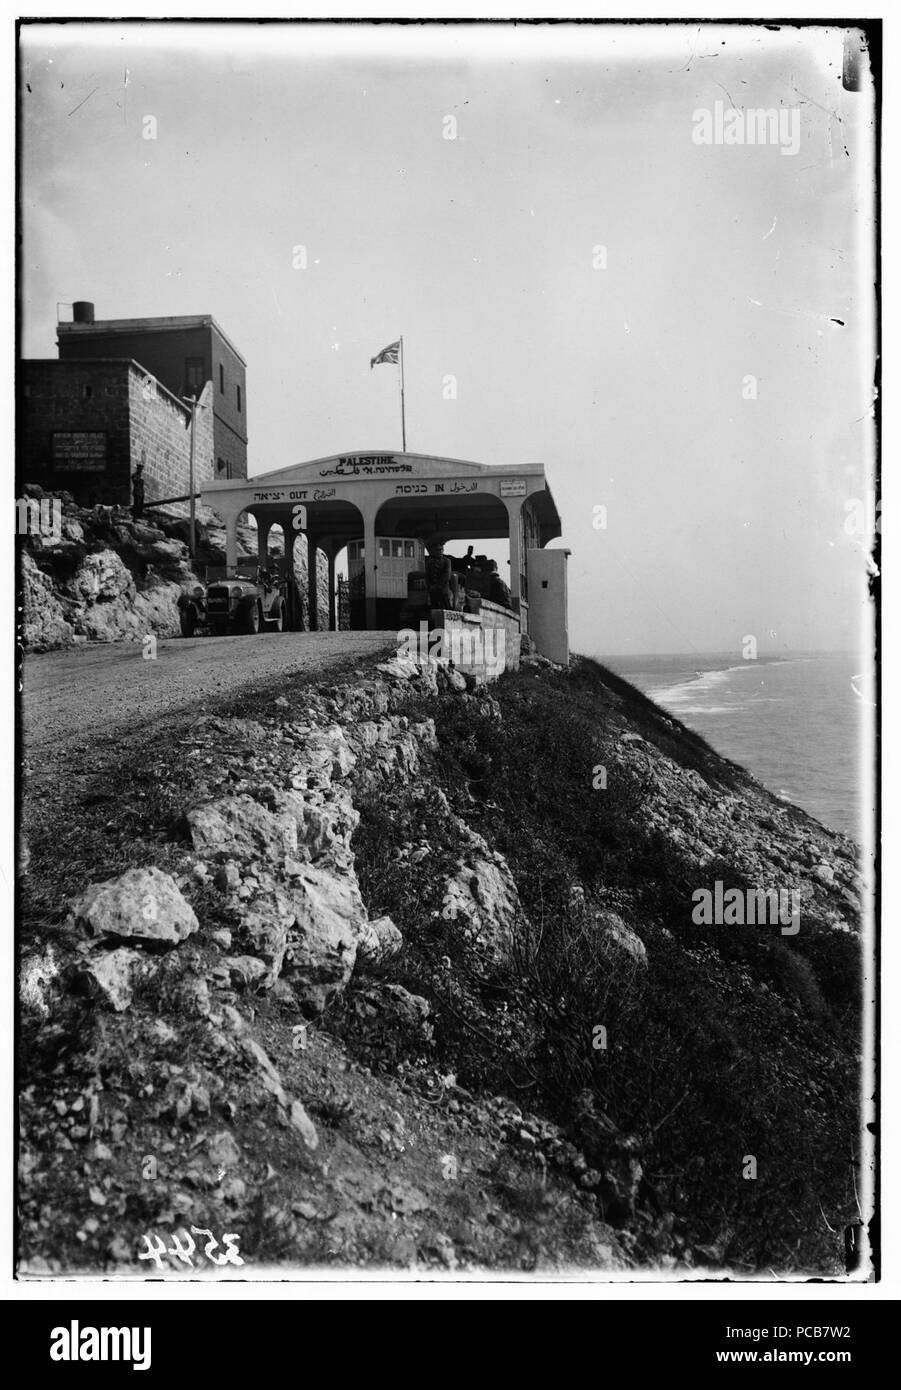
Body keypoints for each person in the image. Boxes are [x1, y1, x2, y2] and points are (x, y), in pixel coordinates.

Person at [425, 538, 463, 610]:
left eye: (441, 550)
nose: (440, 551)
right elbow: (426, 574)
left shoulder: (446, 561)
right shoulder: (428, 561)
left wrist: (437, 587)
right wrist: (430, 586)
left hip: (442, 592)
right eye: (437, 550)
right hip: (430, 591)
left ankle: (439, 621)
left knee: (443, 610)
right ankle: (424, 622)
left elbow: (446, 576)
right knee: (427, 613)